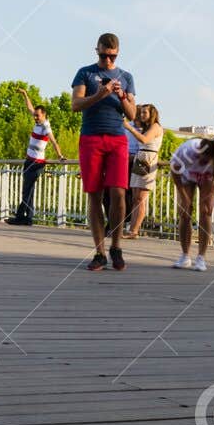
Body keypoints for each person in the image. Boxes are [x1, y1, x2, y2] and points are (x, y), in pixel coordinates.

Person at [71, 32, 136, 271]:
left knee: (119, 193)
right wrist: (100, 94)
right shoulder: (85, 73)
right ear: (96, 51)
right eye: (103, 55)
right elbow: (75, 105)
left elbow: (132, 114)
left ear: (117, 53)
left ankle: (116, 246)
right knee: (94, 194)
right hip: (91, 137)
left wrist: (120, 96)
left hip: (117, 139)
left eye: (112, 56)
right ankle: (99, 252)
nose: (108, 61)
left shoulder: (126, 77)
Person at [169, 135, 214, 271]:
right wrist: (183, 195)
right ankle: (185, 256)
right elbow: (174, 171)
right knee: (185, 212)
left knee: (206, 212)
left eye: (205, 160)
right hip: (186, 176)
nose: (200, 161)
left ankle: (201, 258)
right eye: (199, 156)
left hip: (207, 178)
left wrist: (212, 194)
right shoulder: (187, 150)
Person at [6, 90, 67, 226]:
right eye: (35, 116)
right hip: (29, 161)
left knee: (26, 190)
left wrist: (60, 156)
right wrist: (25, 94)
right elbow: (30, 108)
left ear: (44, 115)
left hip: (36, 163)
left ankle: (20, 217)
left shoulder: (45, 126)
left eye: (37, 116)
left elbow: (53, 141)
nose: (35, 117)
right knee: (29, 191)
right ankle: (28, 218)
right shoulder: (38, 123)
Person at [123, 103, 164, 240]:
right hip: (140, 158)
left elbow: (145, 140)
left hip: (147, 159)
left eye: (144, 113)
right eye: (141, 113)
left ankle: (134, 231)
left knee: (140, 198)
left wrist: (128, 127)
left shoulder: (155, 126)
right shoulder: (146, 127)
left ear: (152, 114)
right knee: (135, 197)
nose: (142, 115)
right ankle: (132, 230)